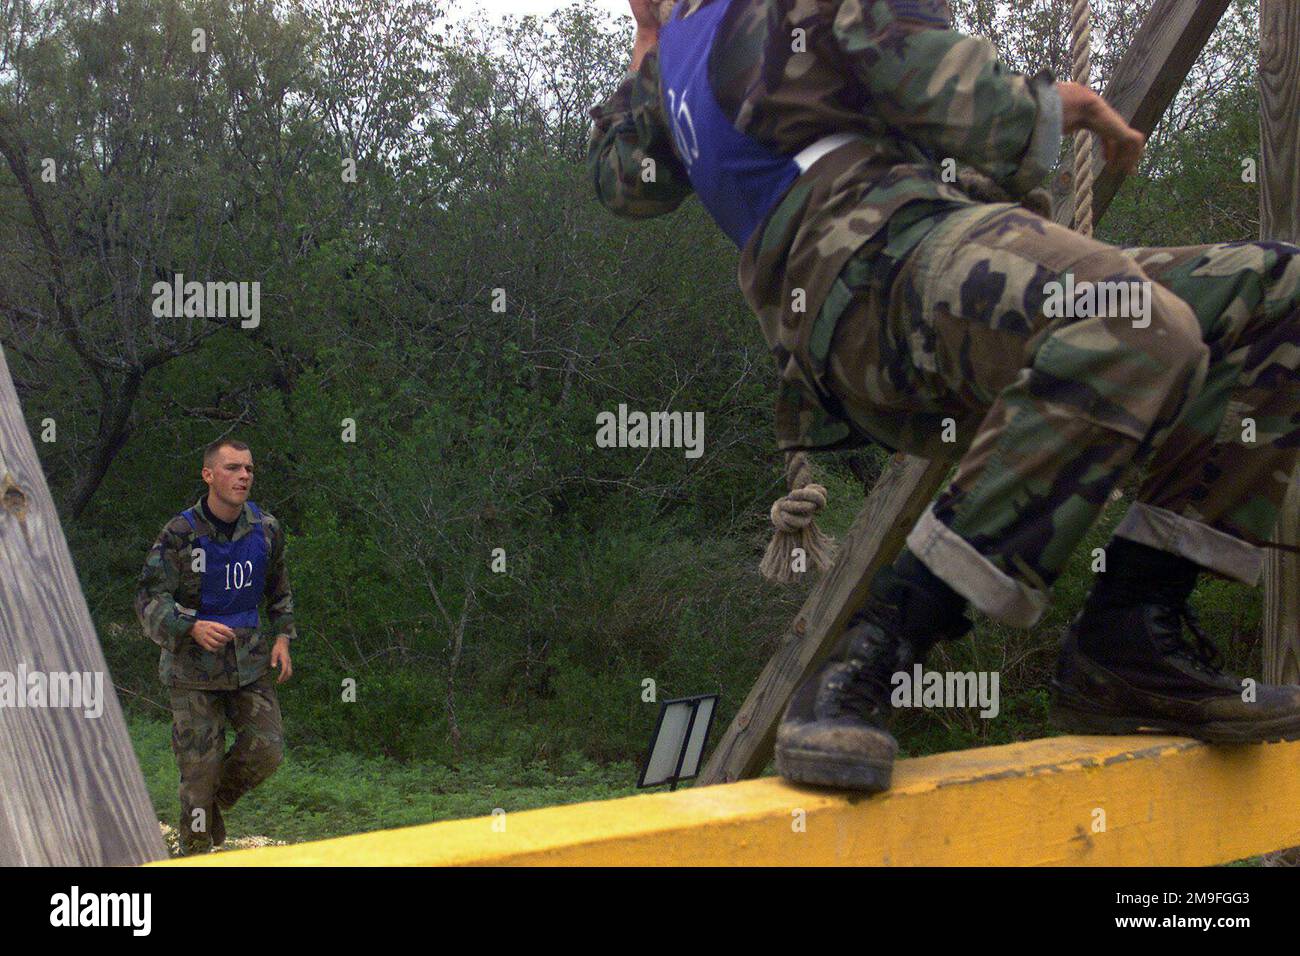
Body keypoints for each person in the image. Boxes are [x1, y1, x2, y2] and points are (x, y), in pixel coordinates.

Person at [587, 0, 1300, 792]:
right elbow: (970, 105)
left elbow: (625, 183)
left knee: (1278, 290)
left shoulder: (675, 57)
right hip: (881, 267)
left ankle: (1136, 624)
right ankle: (876, 649)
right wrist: (1060, 107)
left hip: (895, 314)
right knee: (1131, 321)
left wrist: (648, 39)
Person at [136, 438, 296, 851]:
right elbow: (149, 599)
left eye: (249, 469)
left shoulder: (266, 529)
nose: (244, 476)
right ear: (208, 475)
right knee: (198, 772)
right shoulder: (180, 534)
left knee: (267, 749)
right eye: (233, 468)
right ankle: (193, 852)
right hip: (193, 669)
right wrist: (189, 627)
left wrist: (283, 636)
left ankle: (212, 805)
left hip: (249, 663)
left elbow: (278, 587)